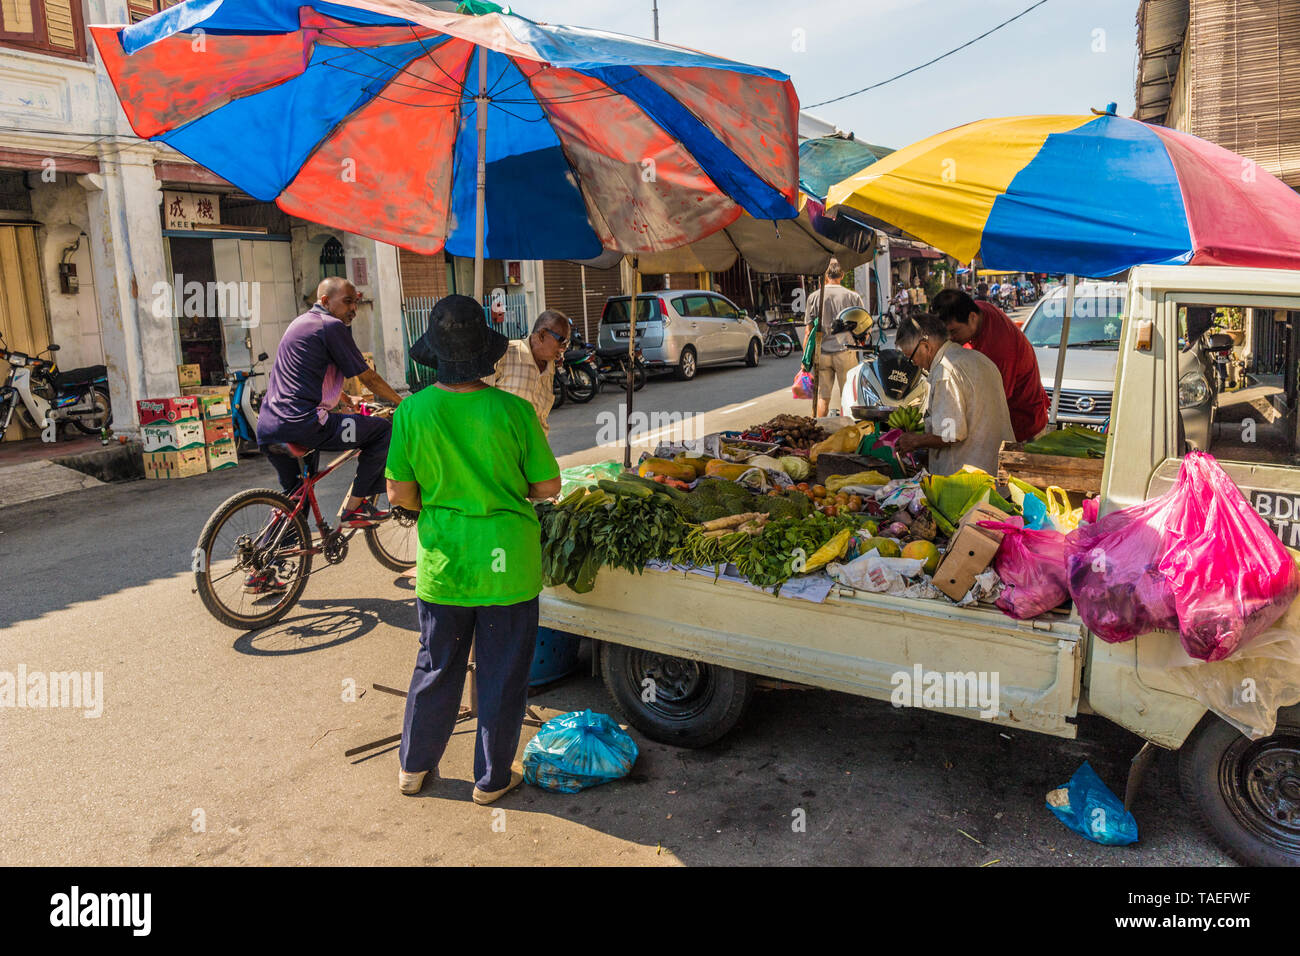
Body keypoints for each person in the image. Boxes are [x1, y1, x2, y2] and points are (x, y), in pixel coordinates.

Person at [387, 295, 561, 804]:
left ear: (435, 354)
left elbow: (400, 494)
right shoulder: (514, 409)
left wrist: (445, 496)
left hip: (446, 563)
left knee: (436, 664)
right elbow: (548, 486)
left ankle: (414, 768)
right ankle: (491, 779)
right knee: (502, 671)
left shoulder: (412, 411)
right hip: (508, 564)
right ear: (484, 353)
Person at [254, 278, 404, 590]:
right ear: (326, 299)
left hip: (270, 426)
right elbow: (367, 376)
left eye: (356, 303)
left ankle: (262, 568)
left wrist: (345, 401)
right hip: (306, 424)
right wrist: (402, 404)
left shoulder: (301, 324)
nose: (353, 310)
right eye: (347, 302)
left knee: (295, 498)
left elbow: (310, 375)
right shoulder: (330, 326)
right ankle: (357, 507)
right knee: (381, 432)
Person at [894, 312, 1014, 476]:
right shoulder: (977, 358)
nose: (914, 363)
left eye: (911, 357)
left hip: (971, 482)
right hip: (1001, 473)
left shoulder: (945, 373)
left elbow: (950, 435)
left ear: (926, 346)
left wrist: (915, 441)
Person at [931, 288, 1049, 442]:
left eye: (954, 331)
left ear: (972, 317)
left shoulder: (999, 349)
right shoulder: (977, 309)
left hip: (1022, 426)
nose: (951, 338)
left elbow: (992, 405)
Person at [483, 310, 571, 435]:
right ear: (542, 335)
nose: (564, 349)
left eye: (567, 344)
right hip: (501, 448)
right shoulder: (506, 354)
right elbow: (481, 402)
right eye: (561, 341)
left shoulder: (550, 367)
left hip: (531, 450)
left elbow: (541, 420)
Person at [803, 258, 864, 417]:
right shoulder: (853, 297)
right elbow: (863, 327)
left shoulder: (814, 296)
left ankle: (817, 430)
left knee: (823, 398)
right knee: (849, 396)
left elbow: (808, 332)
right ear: (842, 275)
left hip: (821, 353)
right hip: (846, 352)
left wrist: (805, 360)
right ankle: (848, 433)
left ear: (825, 275)